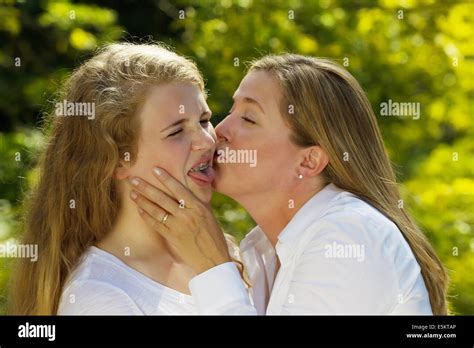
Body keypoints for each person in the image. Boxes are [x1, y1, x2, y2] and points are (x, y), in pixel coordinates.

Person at [130, 54, 449, 315]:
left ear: (308, 161)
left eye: (249, 119)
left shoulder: (349, 236)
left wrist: (213, 269)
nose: (219, 130)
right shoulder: (261, 250)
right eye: (231, 111)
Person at [9, 42, 243, 315]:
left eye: (203, 120)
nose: (206, 141)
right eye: (176, 131)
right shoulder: (99, 296)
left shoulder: (220, 250)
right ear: (119, 159)